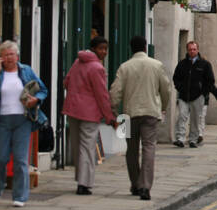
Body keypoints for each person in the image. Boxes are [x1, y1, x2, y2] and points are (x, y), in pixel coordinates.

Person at [0, 41, 47, 207]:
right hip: (1, 120)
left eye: (12, 54)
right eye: (5, 55)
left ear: (17, 56)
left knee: (20, 160)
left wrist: (36, 99)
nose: (9, 57)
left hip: (22, 120)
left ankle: (20, 196)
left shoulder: (26, 71)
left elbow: (42, 90)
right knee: (0, 159)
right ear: (0, 57)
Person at [109, 35, 172, 201]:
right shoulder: (156, 65)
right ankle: (145, 186)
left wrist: (114, 112)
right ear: (145, 47)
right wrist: (163, 107)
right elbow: (166, 90)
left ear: (131, 48)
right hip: (151, 112)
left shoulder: (124, 67)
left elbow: (115, 92)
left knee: (131, 149)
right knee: (149, 148)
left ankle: (135, 184)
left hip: (129, 114)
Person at [63, 42, 116, 195]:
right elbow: (102, 95)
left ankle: (80, 178)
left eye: (106, 49)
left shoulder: (77, 62)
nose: (104, 52)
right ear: (93, 49)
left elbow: (66, 82)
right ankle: (84, 183)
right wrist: (109, 116)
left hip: (73, 109)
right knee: (87, 147)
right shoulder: (98, 68)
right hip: (89, 113)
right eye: (101, 48)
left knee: (77, 146)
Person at [172, 41, 214, 148]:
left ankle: (193, 139)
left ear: (197, 50)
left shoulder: (205, 64)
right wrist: (180, 88)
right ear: (187, 50)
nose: (192, 51)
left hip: (198, 96)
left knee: (196, 119)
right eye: (190, 49)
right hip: (184, 95)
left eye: (194, 49)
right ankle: (180, 138)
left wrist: (203, 92)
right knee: (182, 116)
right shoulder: (182, 64)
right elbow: (176, 78)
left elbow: (210, 80)